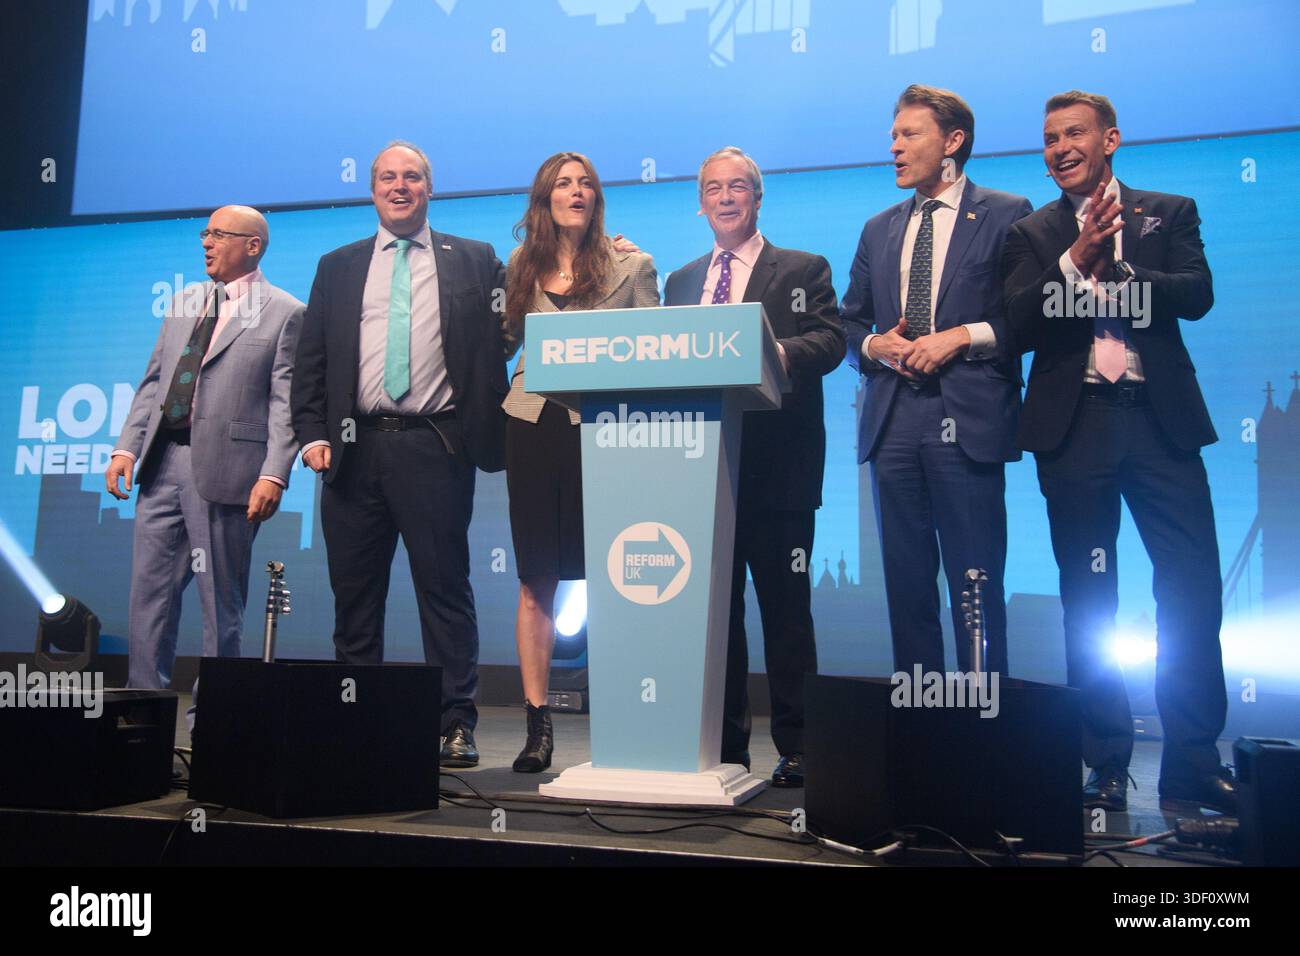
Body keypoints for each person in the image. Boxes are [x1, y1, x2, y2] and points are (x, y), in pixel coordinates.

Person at [1001, 91, 1233, 813]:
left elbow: (1196, 294)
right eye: (1048, 137)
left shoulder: (1169, 210)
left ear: (1111, 140)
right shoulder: (1031, 231)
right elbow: (1017, 321)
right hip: (1076, 431)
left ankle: (1193, 761)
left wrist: (1125, 278)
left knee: (1192, 591)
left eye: (1074, 133)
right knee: (1089, 602)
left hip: (1159, 426)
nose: (1060, 147)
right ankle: (1104, 760)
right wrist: (1075, 259)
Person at [290, 141, 508, 768]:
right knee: (355, 596)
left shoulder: (474, 259)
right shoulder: (338, 265)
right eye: (388, 177)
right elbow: (311, 363)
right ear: (372, 189)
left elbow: (530, 302)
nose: (400, 186)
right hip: (350, 452)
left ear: (429, 187)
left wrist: (603, 253)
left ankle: (455, 724)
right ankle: (359, 721)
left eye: (412, 176)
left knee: (444, 589)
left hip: (434, 444)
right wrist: (312, 436)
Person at [663, 146, 844, 788]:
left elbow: (830, 340)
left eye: (739, 186)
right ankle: (725, 746)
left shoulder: (802, 268)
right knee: (718, 619)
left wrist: (761, 352)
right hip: (703, 475)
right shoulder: (681, 283)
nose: (726, 196)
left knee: (786, 614)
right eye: (713, 187)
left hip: (779, 475)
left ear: (757, 198)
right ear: (702, 201)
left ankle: (800, 746)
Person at [841, 85, 1032, 678]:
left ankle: (981, 725)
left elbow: (1026, 317)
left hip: (968, 419)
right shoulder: (879, 228)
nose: (894, 147)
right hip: (894, 421)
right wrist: (877, 344)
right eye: (893, 135)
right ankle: (921, 729)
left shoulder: (1007, 213)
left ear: (953, 142)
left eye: (909, 135)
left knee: (975, 583)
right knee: (907, 584)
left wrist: (960, 335)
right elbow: (846, 322)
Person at [501, 152, 659, 772]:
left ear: (597, 197)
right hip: (533, 427)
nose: (575, 191)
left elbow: (655, 352)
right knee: (536, 577)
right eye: (562, 184)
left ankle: (625, 717)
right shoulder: (519, 266)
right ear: (544, 199)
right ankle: (538, 727)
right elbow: (500, 342)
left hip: (607, 430)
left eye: (585, 182)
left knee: (614, 575)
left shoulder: (634, 263)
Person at [109, 205, 302, 710]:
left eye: (219, 234)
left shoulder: (284, 311)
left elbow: (286, 404)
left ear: (253, 245)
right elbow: (155, 383)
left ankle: (217, 724)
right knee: (149, 597)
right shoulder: (184, 302)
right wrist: (126, 446)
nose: (207, 243)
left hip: (227, 472)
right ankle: (142, 717)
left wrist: (274, 474)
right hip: (162, 465)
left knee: (221, 603)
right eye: (205, 233)